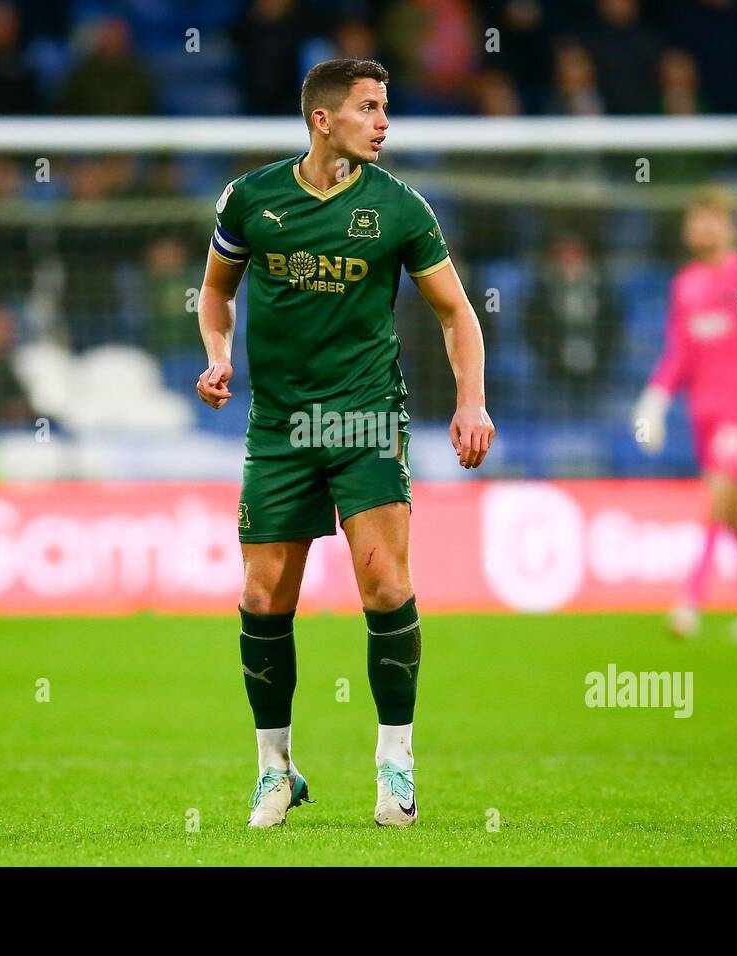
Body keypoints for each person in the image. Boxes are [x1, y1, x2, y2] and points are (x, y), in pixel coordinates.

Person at [195, 58, 493, 828]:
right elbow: (216, 292)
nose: (384, 121)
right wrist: (219, 354)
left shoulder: (400, 209)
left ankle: (395, 762)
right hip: (282, 425)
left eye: (386, 107)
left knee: (387, 587)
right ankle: (275, 769)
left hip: (365, 420)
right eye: (369, 107)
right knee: (263, 597)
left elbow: (457, 313)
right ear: (323, 119)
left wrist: (471, 402)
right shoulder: (251, 200)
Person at [630, 188, 737, 641]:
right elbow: (679, 356)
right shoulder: (686, 284)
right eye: (696, 218)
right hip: (702, 411)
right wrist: (655, 400)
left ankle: (690, 601)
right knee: (733, 506)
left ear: (731, 224)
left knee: (718, 494)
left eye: (713, 218)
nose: (703, 227)